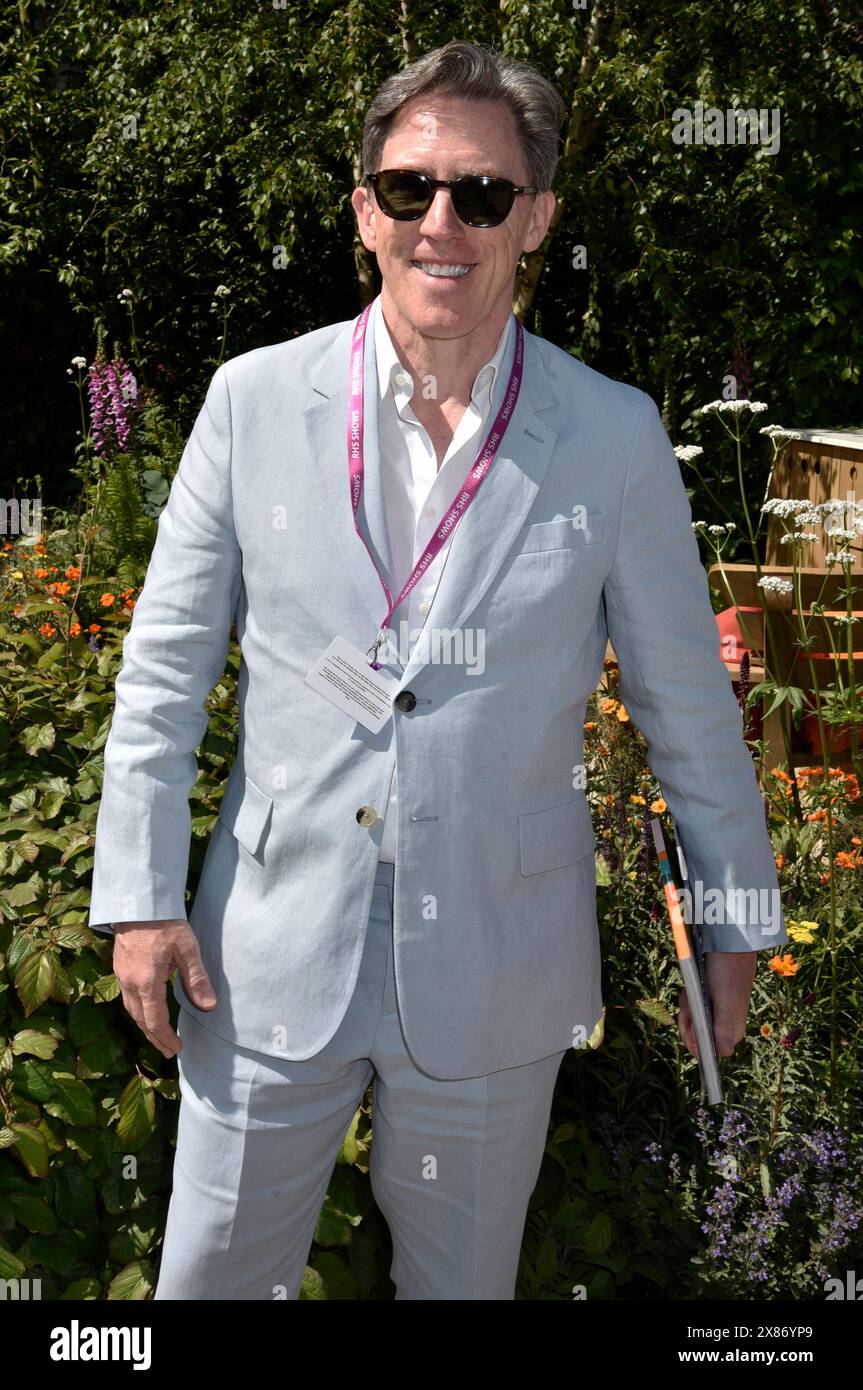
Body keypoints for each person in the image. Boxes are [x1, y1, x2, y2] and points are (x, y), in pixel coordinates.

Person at [87, 39, 787, 1301]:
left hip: (498, 964)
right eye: (410, 189)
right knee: (205, 1284)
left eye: (482, 192)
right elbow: (162, 674)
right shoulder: (250, 403)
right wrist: (138, 892)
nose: (442, 222)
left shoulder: (615, 436)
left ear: (537, 218)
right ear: (364, 210)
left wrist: (731, 921)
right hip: (259, 955)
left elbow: (688, 702)